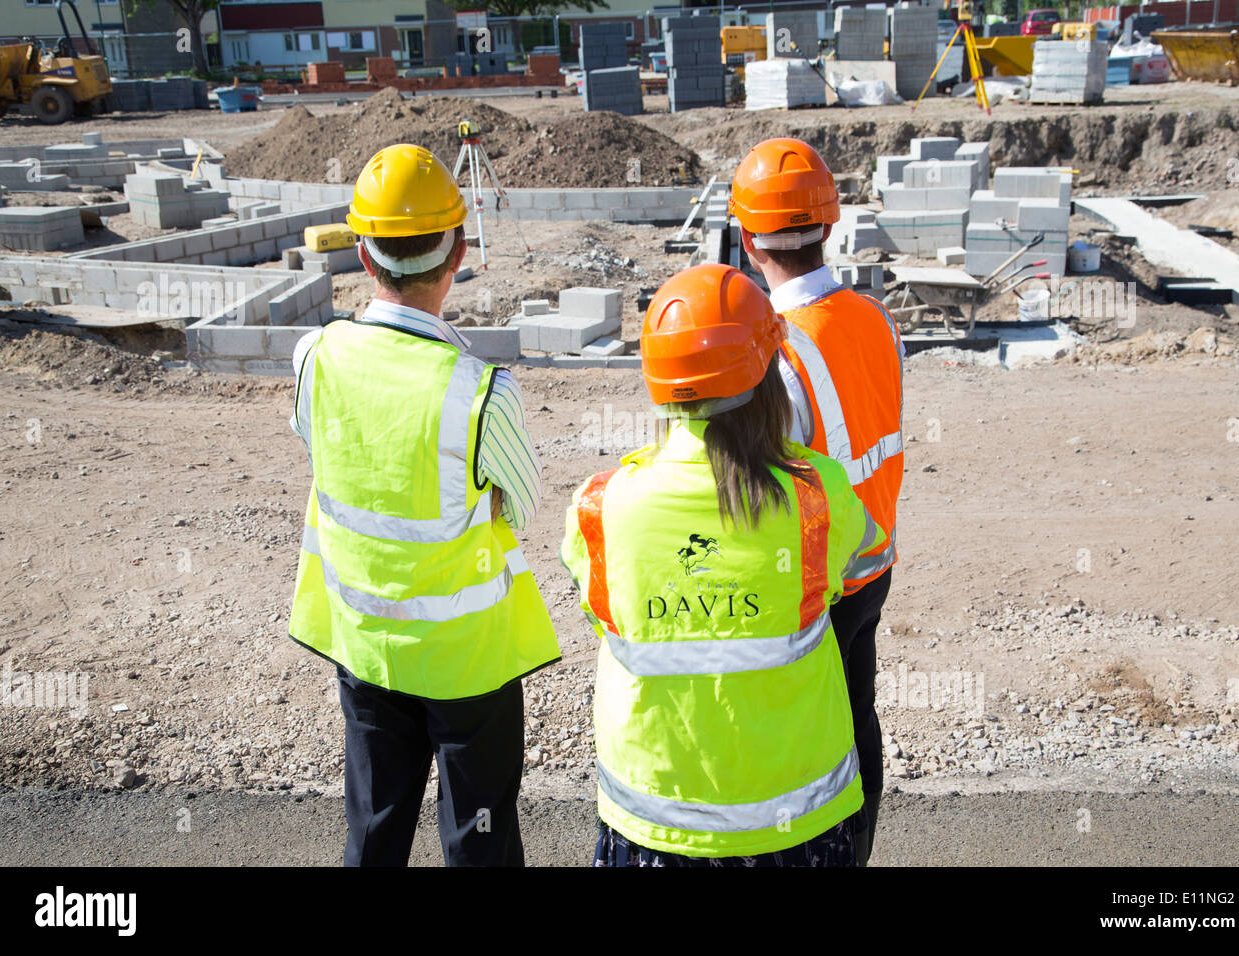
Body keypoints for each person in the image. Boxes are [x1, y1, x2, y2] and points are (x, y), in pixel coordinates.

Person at [286, 144, 560, 867]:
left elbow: (329, 460)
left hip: (365, 641)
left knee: (374, 830)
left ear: (363, 256)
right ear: (458, 253)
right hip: (467, 660)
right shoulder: (480, 391)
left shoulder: (315, 357)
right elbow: (520, 506)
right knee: (479, 840)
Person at [561, 263, 886, 866]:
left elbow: (602, 610)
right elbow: (863, 559)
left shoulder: (600, 506)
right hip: (798, 825)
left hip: (654, 827)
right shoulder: (817, 497)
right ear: (769, 374)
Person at [731, 138, 905, 860]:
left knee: (809, 742)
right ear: (828, 226)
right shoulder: (877, 319)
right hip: (875, 561)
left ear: (748, 241)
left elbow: (775, 491)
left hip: (820, 584)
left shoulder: (778, 355)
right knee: (859, 716)